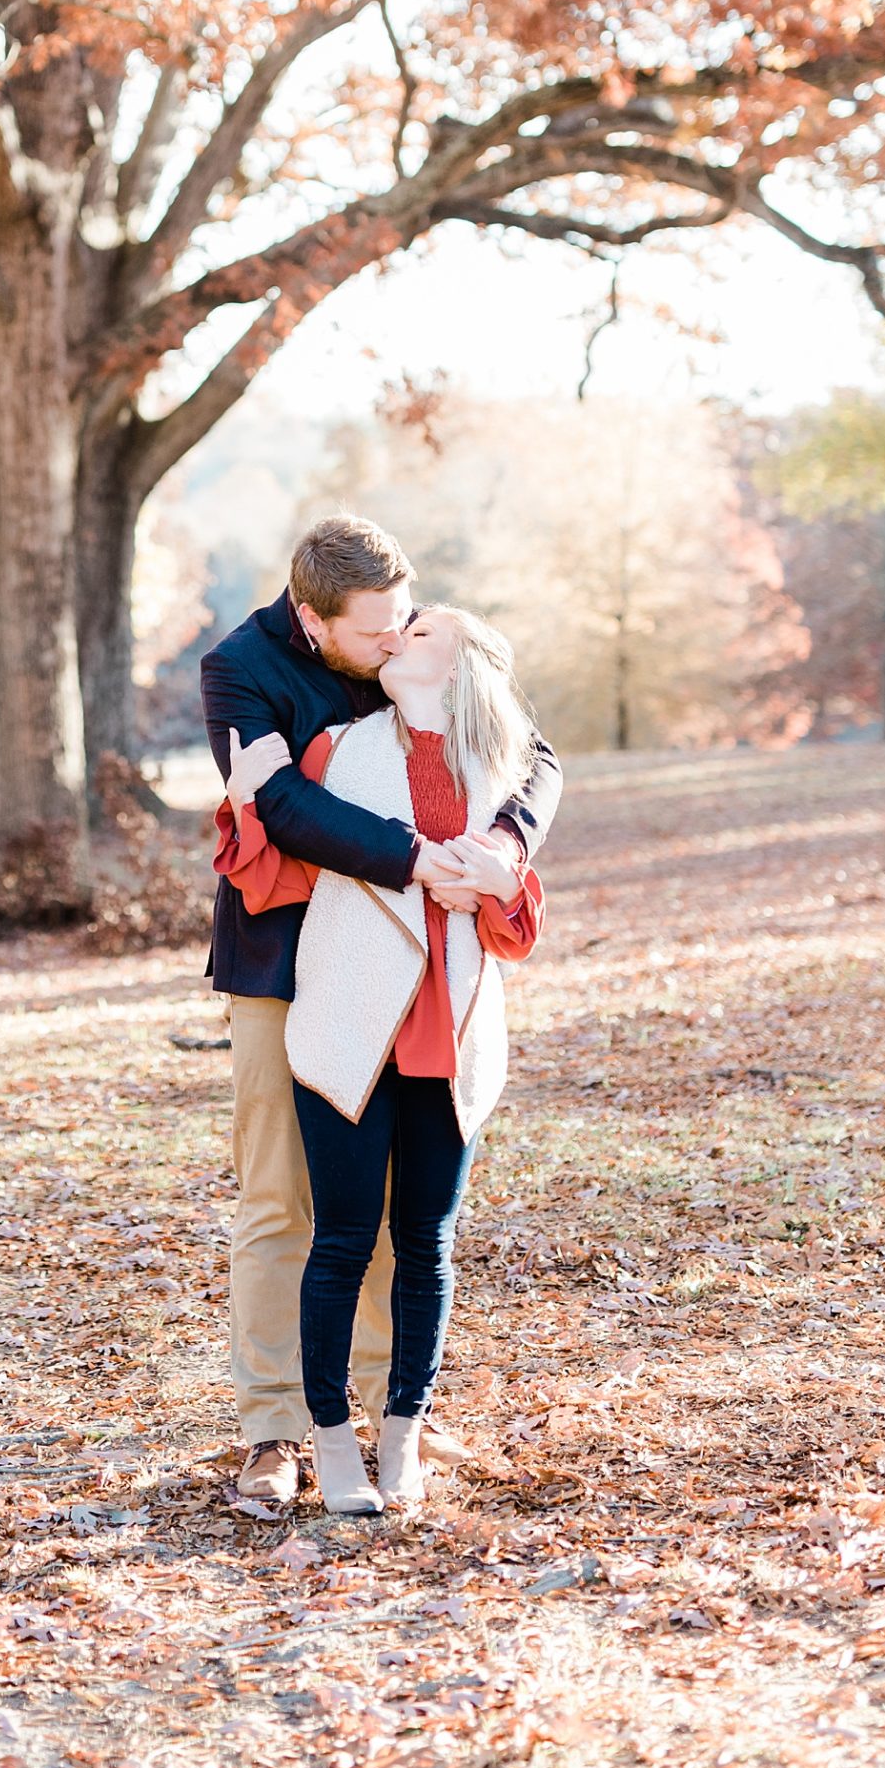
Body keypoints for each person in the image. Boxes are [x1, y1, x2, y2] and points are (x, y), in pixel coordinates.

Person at [199, 515, 562, 1506]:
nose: (394, 643)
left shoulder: (402, 636)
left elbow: (534, 752)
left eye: (405, 622)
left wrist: (507, 847)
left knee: (402, 1215)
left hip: (416, 954)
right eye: (372, 635)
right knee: (285, 1197)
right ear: (312, 622)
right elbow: (286, 811)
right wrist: (417, 858)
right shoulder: (238, 671)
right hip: (284, 956)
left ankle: (388, 1409)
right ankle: (274, 1429)